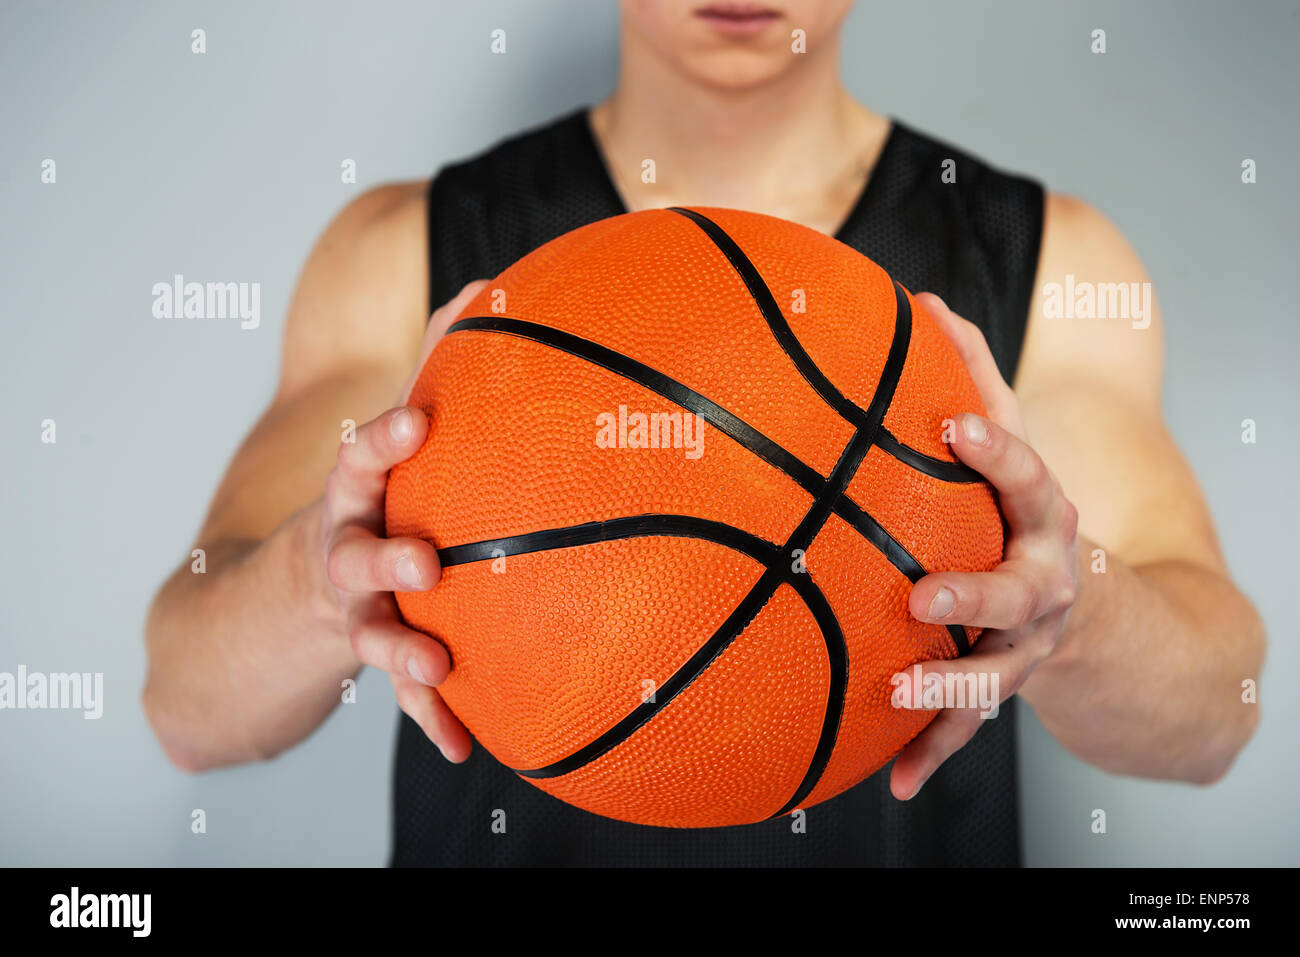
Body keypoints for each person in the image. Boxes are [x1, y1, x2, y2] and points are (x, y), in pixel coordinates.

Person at [143, 0, 1265, 865]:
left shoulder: (1051, 260)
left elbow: (1217, 721)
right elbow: (185, 709)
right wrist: (317, 581)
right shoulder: (404, 247)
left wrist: (1072, 603)